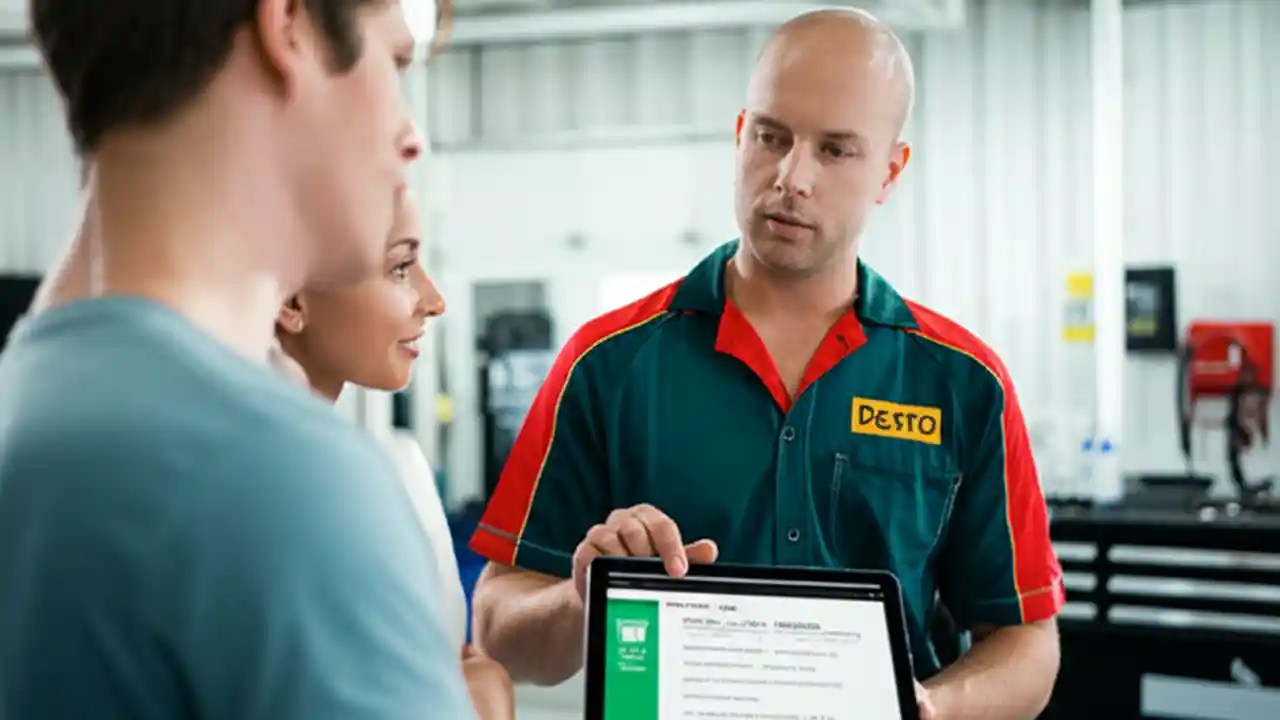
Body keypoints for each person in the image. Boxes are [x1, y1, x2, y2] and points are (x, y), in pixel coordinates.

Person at [468, 9, 1064, 720]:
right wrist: (583, 596)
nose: (791, 177)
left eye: (836, 150)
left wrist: (931, 708)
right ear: (740, 132)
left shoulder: (963, 384)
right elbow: (499, 630)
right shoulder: (608, 365)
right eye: (771, 137)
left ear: (890, 171)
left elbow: (1027, 642)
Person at [0, 1, 479, 717]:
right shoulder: (280, 477)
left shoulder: (31, 403)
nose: (410, 137)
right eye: (393, 62)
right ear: (285, 25)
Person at [274, 186, 514, 719]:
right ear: (292, 299)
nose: (434, 300)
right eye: (401, 268)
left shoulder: (397, 471)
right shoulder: (247, 506)